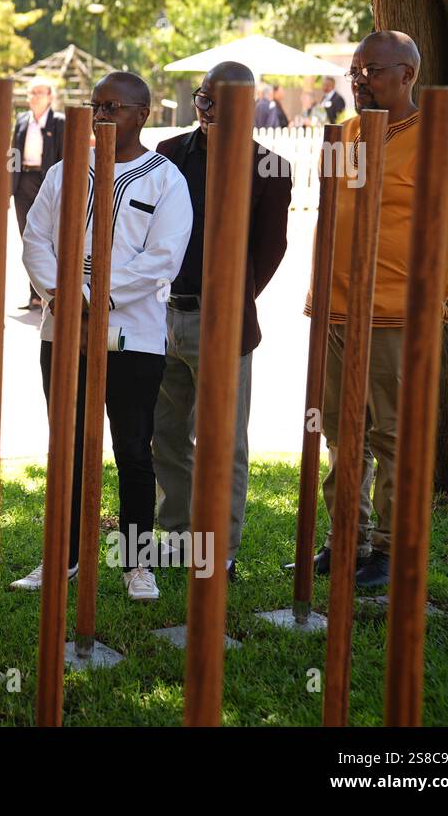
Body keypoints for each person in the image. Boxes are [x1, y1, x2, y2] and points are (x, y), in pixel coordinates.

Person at [306, 30, 448, 588]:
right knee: (340, 431)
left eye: (373, 71)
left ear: (408, 76)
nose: (359, 80)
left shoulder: (441, 142)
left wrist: (424, 292)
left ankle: (388, 550)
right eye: (356, 70)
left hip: (397, 316)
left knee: (392, 435)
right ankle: (345, 541)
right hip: (336, 310)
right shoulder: (346, 134)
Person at [13, 72, 192, 601]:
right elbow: (35, 241)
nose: (104, 115)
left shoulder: (166, 179)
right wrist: (68, 299)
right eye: (96, 106)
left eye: (115, 106)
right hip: (62, 329)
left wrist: (98, 299)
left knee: (134, 448)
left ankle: (136, 562)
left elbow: (165, 259)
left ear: (145, 112)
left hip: (133, 337)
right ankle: (62, 555)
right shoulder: (65, 172)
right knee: (65, 443)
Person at [151, 62, 291, 581]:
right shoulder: (169, 154)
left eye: (217, 103)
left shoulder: (269, 166)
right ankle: (178, 533)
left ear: (246, 107)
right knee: (164, 432)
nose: (204, 111)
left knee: (224, 439)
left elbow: (271, 248)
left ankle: (223, 547)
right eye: (201, 99)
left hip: (225, 321)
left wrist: (234, 300)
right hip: (164, 314)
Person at [11, 76, 65, 310]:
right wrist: (9, 185)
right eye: (31, 93)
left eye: (39, 93)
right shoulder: (22, 120)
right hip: (23, 181)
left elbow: (64, 156)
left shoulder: (60, 122)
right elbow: (13, 153)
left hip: (48, 182)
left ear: (50, 97)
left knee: (50, 236)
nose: (34, 97)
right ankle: (34, 294)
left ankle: (51, 290)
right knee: (27, 236)